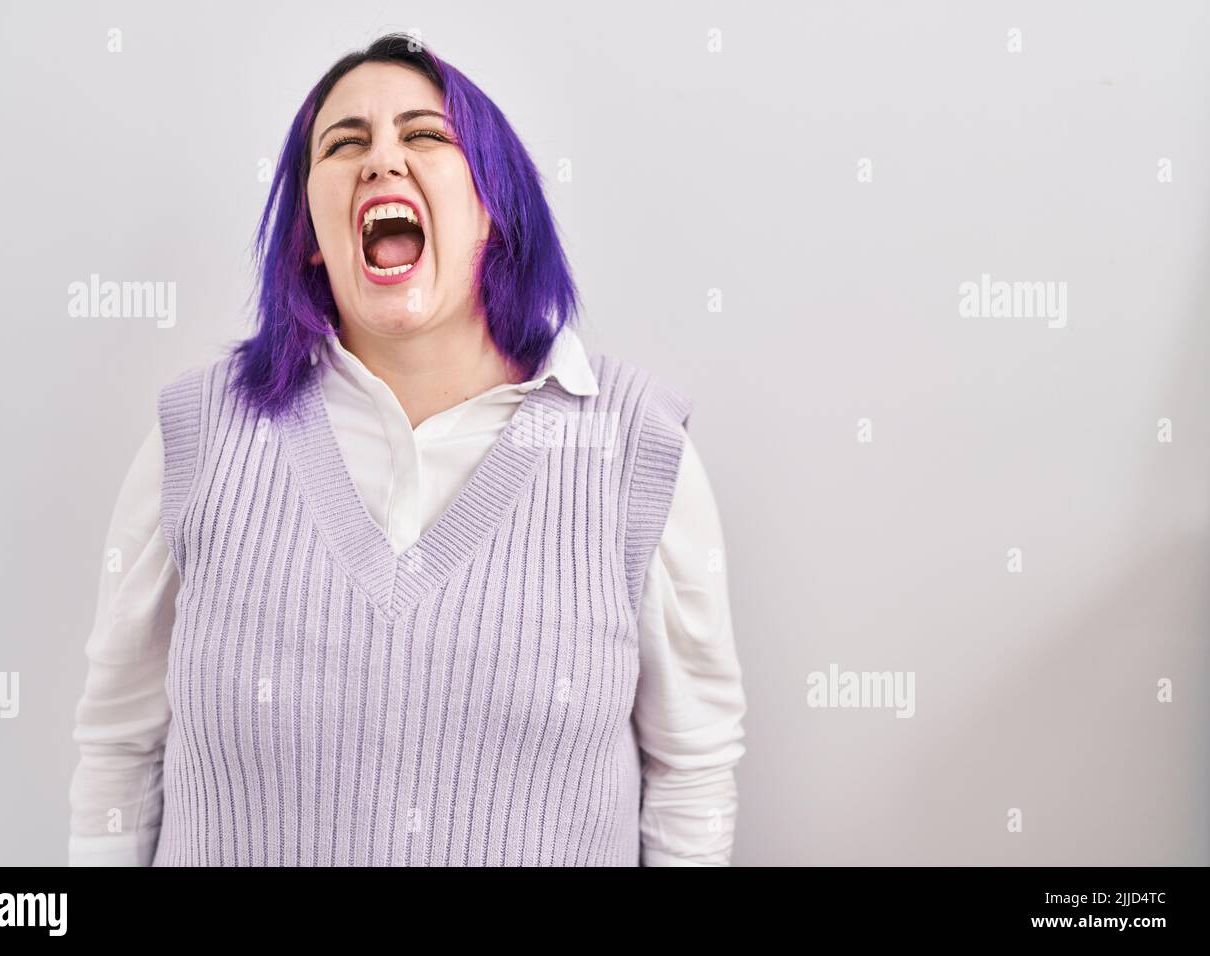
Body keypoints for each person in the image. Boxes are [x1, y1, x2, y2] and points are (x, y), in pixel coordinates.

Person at [68, 32, 746, 866]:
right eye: (344, 143)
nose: (381, 161)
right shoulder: (198, 437)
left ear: (495, 208)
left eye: (425, 135)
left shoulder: (637, 449)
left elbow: (693, 772)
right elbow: (118, 754)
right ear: (311, 236)